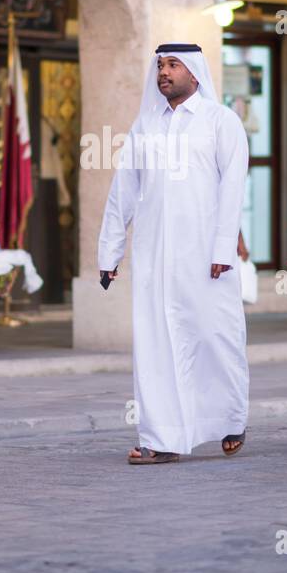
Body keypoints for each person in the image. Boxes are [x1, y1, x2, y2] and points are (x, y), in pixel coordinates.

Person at [98, 43, 250, 464]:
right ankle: (161, 438)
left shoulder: (221, 122)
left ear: (195, 73)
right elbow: (123, 191)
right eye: (160, 65)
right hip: (154, 257)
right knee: (156, 343)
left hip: (206, 257)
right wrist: (110, 253)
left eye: (173, 65)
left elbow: (233, 187)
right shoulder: (145, 126)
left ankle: (230, 418)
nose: (164, 72)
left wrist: (223, 246)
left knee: (214, 337)